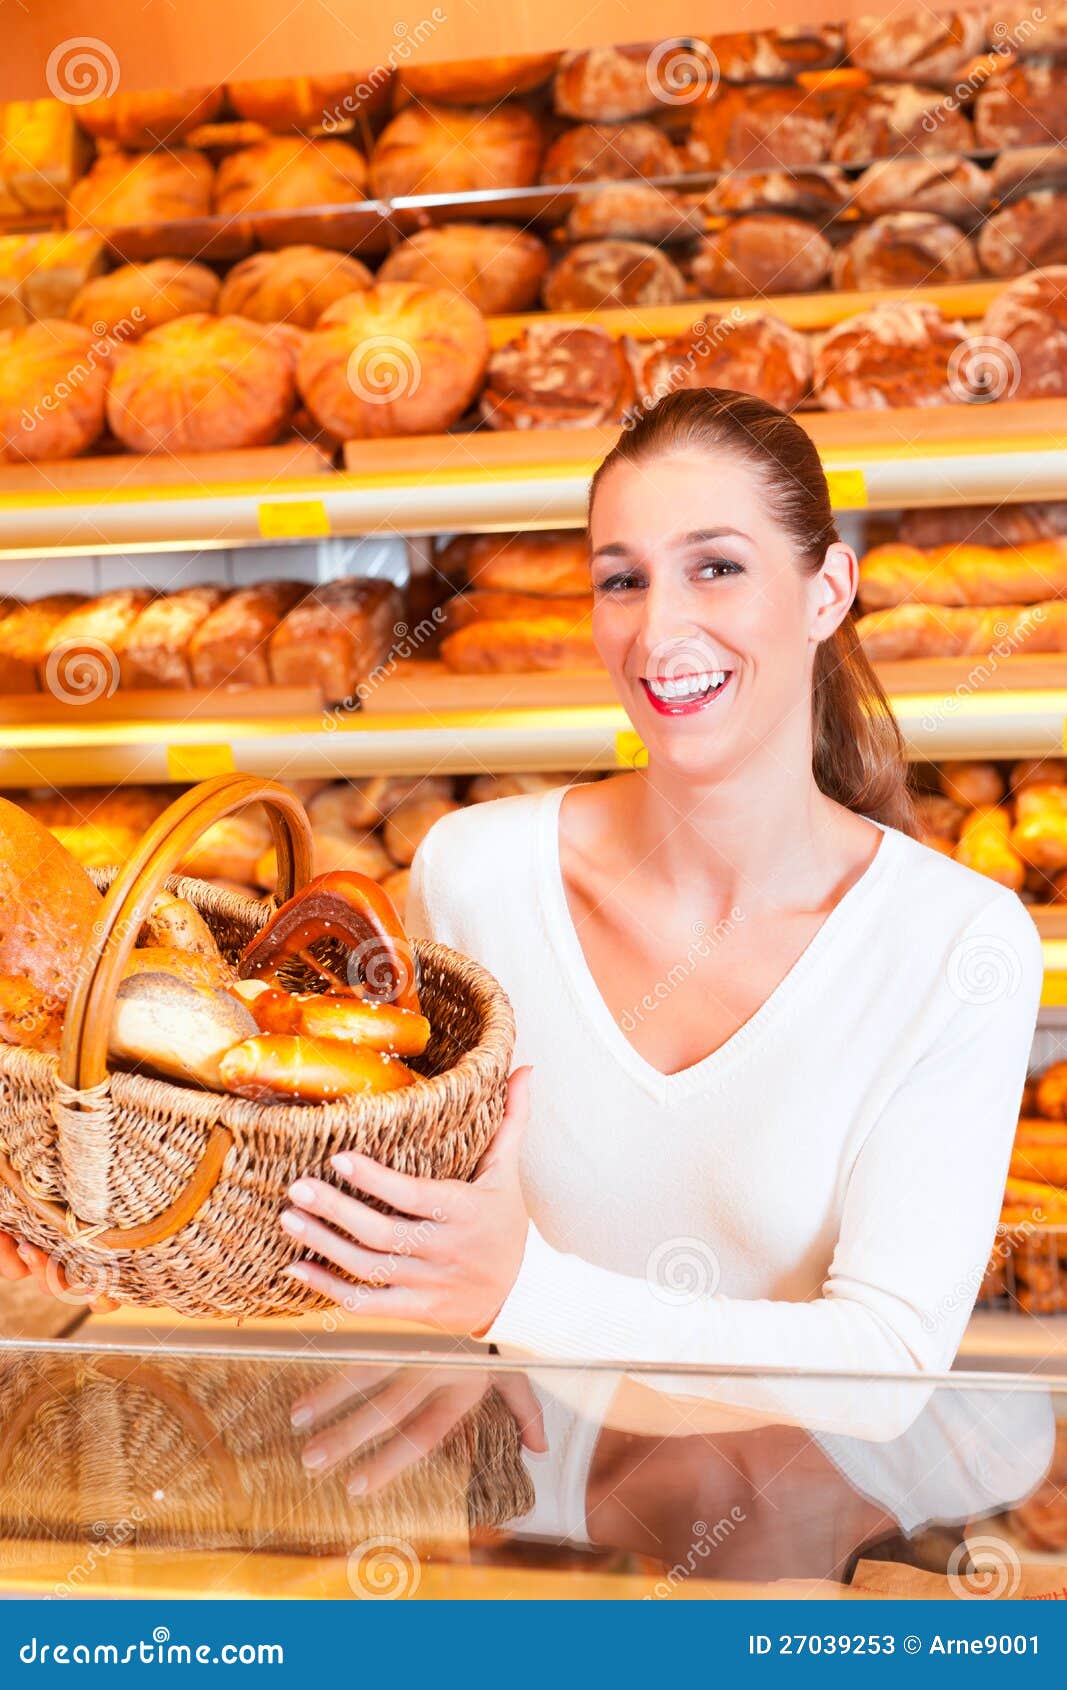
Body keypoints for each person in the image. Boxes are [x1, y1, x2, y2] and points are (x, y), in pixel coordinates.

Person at [276, 386, 1044, 1426]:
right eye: (620, 580)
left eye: (714, 567)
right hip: (511, 1529)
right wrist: (97, 1227)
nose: (656, 628)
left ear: (826, 592)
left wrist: (523, 1294)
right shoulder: (476, 875)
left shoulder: (952, 942)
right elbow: (364, 1196)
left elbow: (886, 1363)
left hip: (793, 1556)